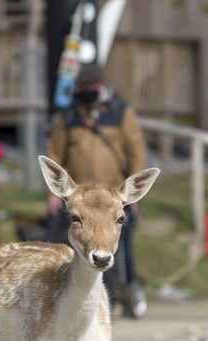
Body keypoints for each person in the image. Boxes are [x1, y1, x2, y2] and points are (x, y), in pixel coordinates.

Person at [46, 64, 149, 317]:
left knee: (115, 251)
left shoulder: (121, 112)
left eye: (91, 88)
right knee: (71, 250)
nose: (86, 92)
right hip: (80, 199)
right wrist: (51, 192)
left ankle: (110, 306)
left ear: (101, 87)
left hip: (113, 197)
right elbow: (55, 152)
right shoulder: (69, 115)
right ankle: (69, 307)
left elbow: (136, 152)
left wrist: (133, 195)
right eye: (83, 88)